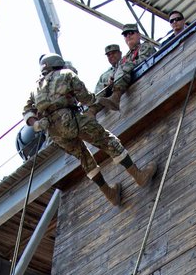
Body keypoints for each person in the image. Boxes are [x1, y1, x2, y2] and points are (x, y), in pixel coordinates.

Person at [24, 54, 156, 206]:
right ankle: (139, 176)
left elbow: (27, 112)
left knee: (84, 157)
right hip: (72, 119)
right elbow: (85, 97)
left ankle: (110, 194)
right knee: (108, 141)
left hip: (54, 132)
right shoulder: (66, 74)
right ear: (58, 64)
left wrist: (36, 125)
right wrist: (97, 101)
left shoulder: (35, 89)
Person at [103, 24, 158, 109]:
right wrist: (112, 78)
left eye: (131, 33)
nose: (128, 36)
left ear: (139, 35)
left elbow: (143, 61)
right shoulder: (124, 58)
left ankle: (116, 97)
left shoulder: (145, 46)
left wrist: (126, 66)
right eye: (125, 35)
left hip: (149, 81)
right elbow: (117, 71)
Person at [91, 43, 122, 114]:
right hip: (106, 109)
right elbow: (97, 92)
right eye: (108, 55)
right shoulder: (104, 75)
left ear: (120, 53)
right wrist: (106, 85)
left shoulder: (126, 62)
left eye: (113, 53)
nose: (111, 56)